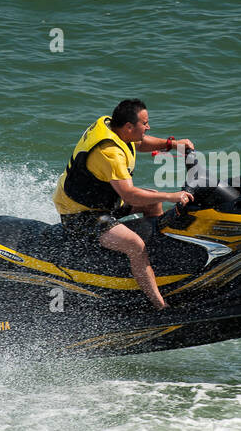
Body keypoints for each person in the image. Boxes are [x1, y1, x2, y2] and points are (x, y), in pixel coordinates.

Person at [52, 99, 195, 310]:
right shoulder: (109, 153)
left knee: (152, 202)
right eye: (144, 123)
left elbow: (138, 142)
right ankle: (159, 305)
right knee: (135, 245)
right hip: (80, 214)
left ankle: (152, 265)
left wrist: (172, 144)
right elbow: (130, 195)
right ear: (128, 126)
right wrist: (171, 196)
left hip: (99, 201)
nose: (148, 127)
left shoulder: (111, 125)